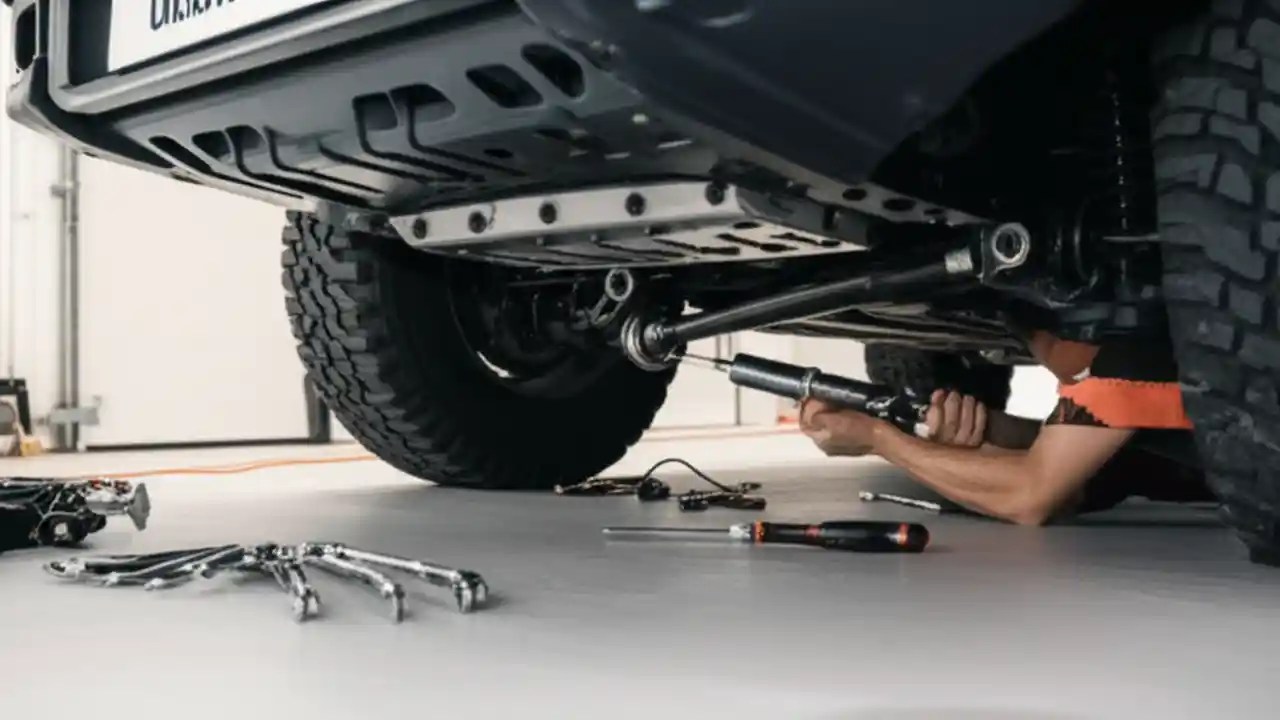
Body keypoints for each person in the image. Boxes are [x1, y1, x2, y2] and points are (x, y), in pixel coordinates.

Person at [799, 332, 1214, 524]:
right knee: (1105, 479)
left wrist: (877, 438)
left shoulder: (1136, 356)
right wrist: (985, 431)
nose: (1059, 375)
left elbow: (1029, 497)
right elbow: (1070, 455)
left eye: (1035, 341)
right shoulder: (1129, 362)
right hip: (1209, 474)